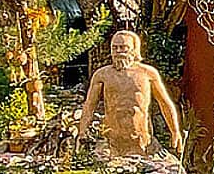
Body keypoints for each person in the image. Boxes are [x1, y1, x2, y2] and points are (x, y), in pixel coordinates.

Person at [78, 30, 182, 158]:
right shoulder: (102, 75)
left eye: (123, 48)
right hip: (112, 141)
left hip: (141, 139)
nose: (118, 52)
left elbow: (165, 103)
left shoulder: (147, 73)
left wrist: (175, 131)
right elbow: (89, 106)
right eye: (115, 48)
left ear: (134, 49)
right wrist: (82, 132)